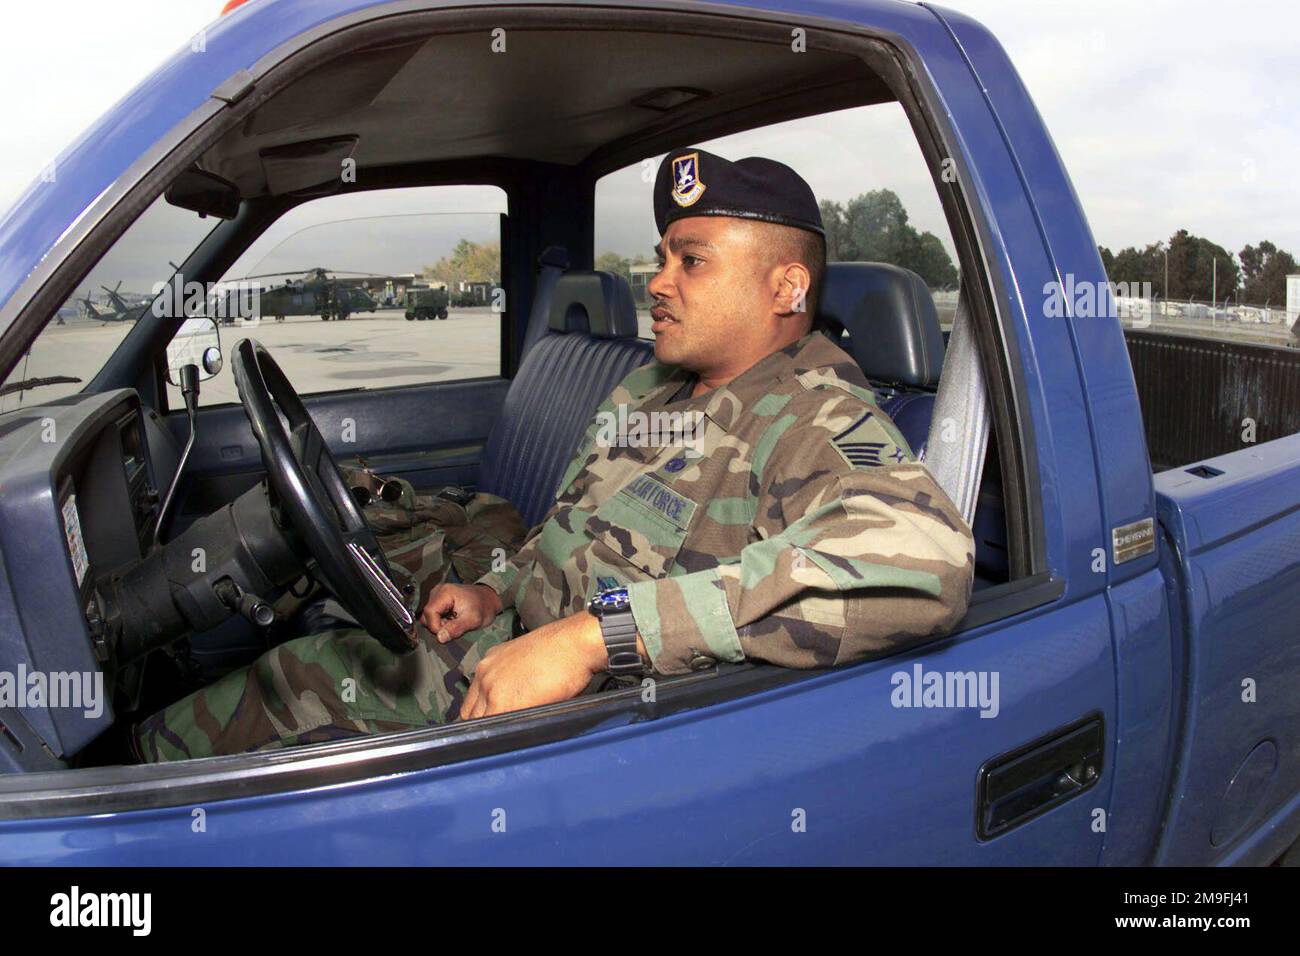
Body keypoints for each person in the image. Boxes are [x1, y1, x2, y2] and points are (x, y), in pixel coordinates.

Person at [132, 147, 974, 761]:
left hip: (584, 727)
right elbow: (573, 526)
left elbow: (923, 565)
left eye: (692, 261)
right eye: (660, 258)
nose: (657, 280)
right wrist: (493, 585)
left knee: (286, 699)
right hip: (502, 641)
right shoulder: (651, 391)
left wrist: (588, 641)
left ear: (787, 288)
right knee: (301, 666)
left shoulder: (811, 417)